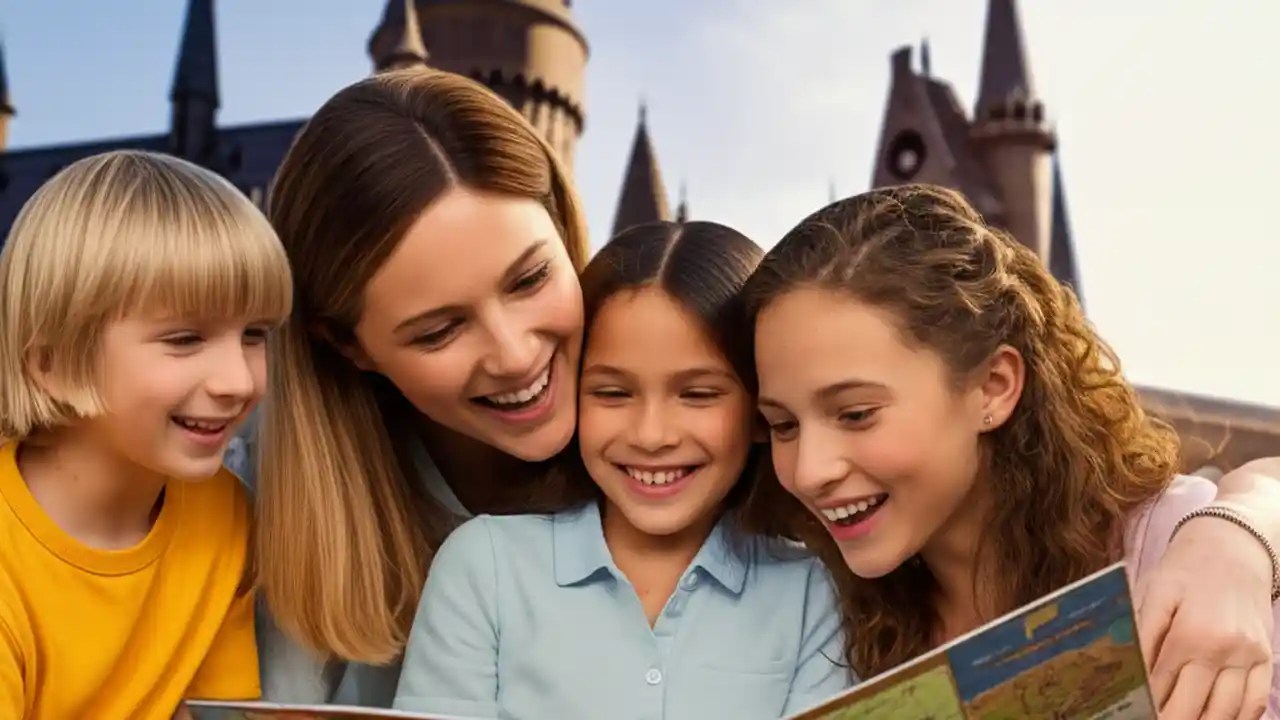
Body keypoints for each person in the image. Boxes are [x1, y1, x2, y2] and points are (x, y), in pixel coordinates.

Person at [247, 66, 1280, 708]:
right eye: (436, 329)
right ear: (349, 347)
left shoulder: (800, 552)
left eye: (529, 279)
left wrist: (1235, 533)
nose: (518, 354)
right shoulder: (305, 507)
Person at [745, 183, 1280, 719]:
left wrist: (1234, 543)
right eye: (783, 425)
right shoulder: (827, 625)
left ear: (994, 387)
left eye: (856, 414)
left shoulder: (1168, 557)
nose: (810, 471)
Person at [393, 221, 851, 719]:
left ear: (762, 409)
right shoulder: (485, 568)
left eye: (698, 394)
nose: (651, 435)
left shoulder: (810, 591)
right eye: (612, 393)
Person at [0, 150, 292, 718]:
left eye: (255, 334)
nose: (238, 381)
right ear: (53, 362)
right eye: (184, 339)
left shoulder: (224, 514)